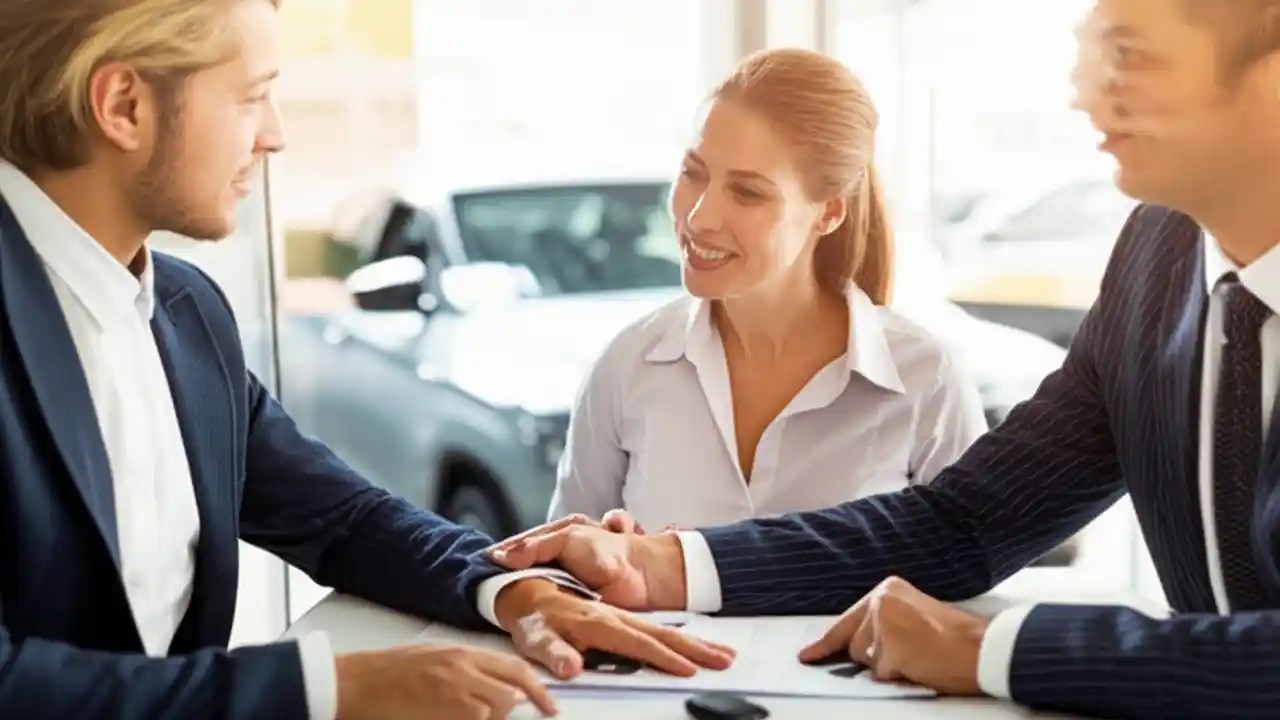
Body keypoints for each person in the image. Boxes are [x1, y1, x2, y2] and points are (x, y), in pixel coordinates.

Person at [491, 0, 1280, 717]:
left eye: (1129, 54)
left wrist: (990, 651)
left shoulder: (927, 364)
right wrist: (657, 566)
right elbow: (966, 521)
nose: (1083, 93)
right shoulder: (1158, 258)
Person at [0, 1, 733, 718]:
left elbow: (341, 518)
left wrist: (514, 593)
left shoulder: (186, 312)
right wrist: (328, 691)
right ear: (124, 105)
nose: (276, 135)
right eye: (254, 96)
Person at [548, 48, 987, 531]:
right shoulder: (629, 365)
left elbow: (965, 569)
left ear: (828, 213)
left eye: (747, 193)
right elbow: (562, 574)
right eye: (693, 173)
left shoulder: (926, 378)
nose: (699, 218)